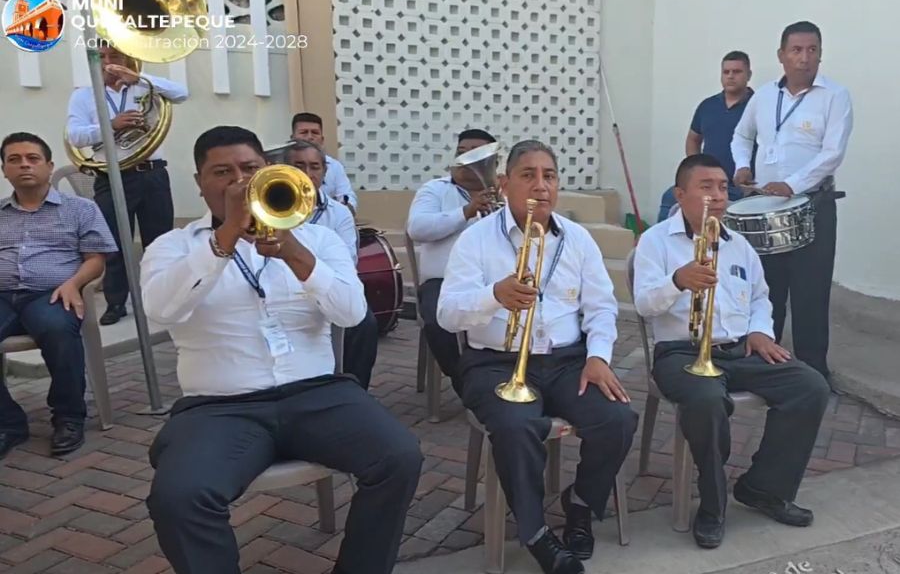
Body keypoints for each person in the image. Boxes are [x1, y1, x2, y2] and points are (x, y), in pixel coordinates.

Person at [141, 126, 423, 574]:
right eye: (222, 172)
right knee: (178, 496)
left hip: (318, 394)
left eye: (249, 169)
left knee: (400, 457)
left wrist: (296, 255)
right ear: (199, 182)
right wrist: (225, 237)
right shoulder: (172, 248)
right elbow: (161, 311)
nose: (238, 181)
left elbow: (352, 314)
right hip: (220, 406)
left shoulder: (318, 239)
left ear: (267, 173)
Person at [438, 140, 637, 574]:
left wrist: (598, 356)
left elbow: (601, 307)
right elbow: (447, 314)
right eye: (528, 175)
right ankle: (536, 533)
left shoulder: (578, 238)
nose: (540, 186)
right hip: (496, 363)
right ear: (505, 183)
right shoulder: (475, 240)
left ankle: (581, 503)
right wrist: (494, 295)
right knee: (515, 424)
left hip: (566, 361)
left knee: (618, 417)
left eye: (549, 176)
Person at [633, 154, 831, 549]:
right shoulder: (655, 241)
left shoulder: (739, 245)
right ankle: (712, 501)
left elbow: (761, 297)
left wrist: (760, 332)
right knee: (706, 400)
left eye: (723, 187)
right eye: (706, 186)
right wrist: (677, 280)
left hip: (737, 351)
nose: (718, 196)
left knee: (810, 386)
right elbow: (643, 304)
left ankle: (764, 487)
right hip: (680, 353)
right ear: (681, 193)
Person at [731, 21, 853, 379]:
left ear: (820, 54)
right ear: (781, 55)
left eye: (812, 50)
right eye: (796, 50)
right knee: (766, 288)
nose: (804, 58)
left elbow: (832, 153)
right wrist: (741, 167)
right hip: (766, 209)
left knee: (810, 293)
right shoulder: (765, 96)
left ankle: (813, 373)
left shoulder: (835, 96)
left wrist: (793, 184)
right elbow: (742, 136)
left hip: (813, 205)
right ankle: (766, 366)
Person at [0, 132, 117, 458]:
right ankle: (8, 423)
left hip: (52, 294)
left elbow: (97, 258)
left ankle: (68, 417)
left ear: (49, 166)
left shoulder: (80, 209)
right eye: (14, 159)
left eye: (32, 158)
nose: (24, 164)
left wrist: (74, 283)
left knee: (58, 331)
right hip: (3, 296)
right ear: (4, 170)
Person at [66, 42, 189, 326]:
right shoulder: (84, 96)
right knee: (113, 242)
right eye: (102, 58)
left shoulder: (144, 87)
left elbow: (182, 94)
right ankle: (116, 303)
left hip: (152, 173)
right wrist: (112, 124)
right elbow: (75, 136)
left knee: (159, 241)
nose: (109, 64)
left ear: (128, 59)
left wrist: (142, 79)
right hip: (112, 175)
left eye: (115, 57)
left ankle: (159, 298)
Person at [406, 128, 497, 394]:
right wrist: (466, 211)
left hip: (493, 282)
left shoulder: (503, 195)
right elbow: (417, 228)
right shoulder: (435, 189)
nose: (466, 159)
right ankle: (469, 386)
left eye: (476, 154)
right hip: (442, 281)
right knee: (439, 321)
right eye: (461, 153)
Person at [284, 139, 379, 390]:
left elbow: (347, 262)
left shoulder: (339, 212)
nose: (307, 173)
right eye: (299, 165)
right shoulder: (268, 204)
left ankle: (355, 389)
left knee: (364, 323)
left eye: (314, 167)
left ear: (324, 172)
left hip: (323, 284)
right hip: (283, 287)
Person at [658, 51, 754, 222]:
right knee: (670, 197)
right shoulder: (707, 106)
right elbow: (693, 139)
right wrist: (696, 170)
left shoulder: (758, 105)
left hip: (741, 189)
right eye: (726, 72)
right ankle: (660, 244)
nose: (731, 76)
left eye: (737, 72)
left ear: (749, 75)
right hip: (708, 184)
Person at [291, 112, 358, 213]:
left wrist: (342, 213)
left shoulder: (335, 166)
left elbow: (347, 196)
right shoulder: (281, 165)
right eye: (304, 132)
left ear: (322, 140)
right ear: (293, 138)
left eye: (315, 132)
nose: (310, 137)